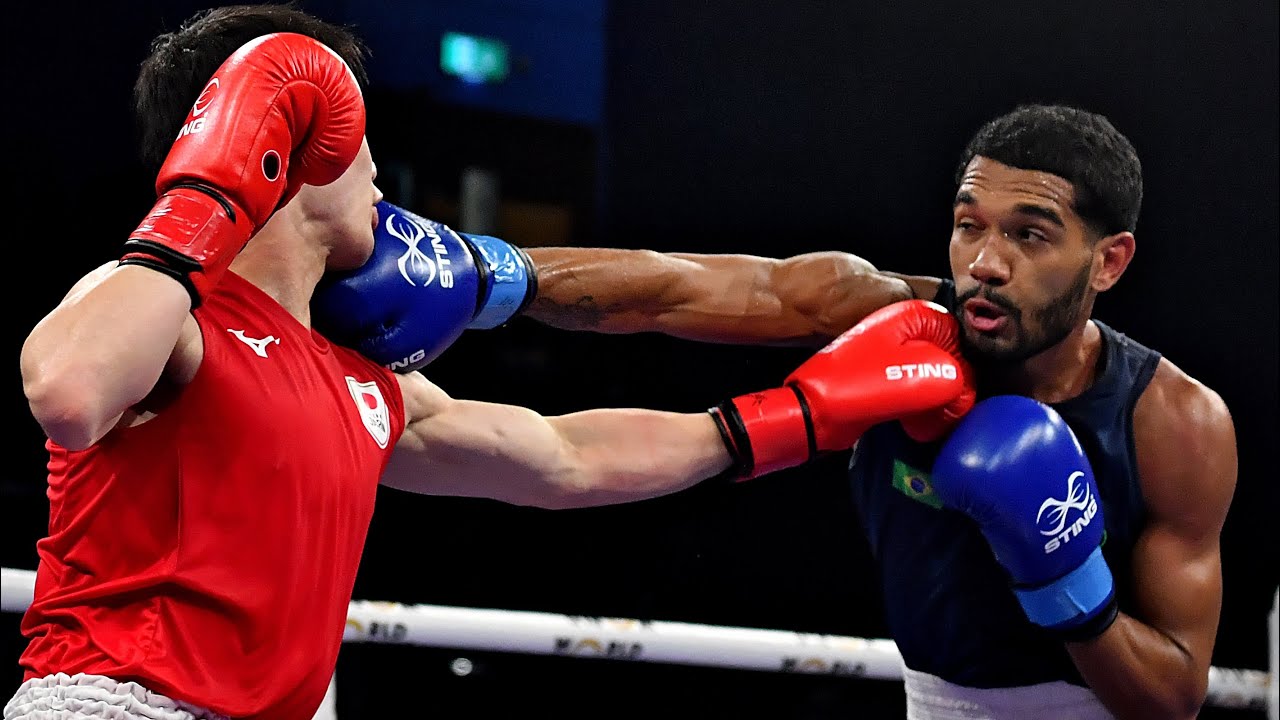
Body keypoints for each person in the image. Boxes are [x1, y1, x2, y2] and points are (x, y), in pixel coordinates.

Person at [9, 5, 975, 719]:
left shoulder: (361, 380)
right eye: (356, 139)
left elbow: (559, 458)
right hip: (117, 703)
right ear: (286, 139)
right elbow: (68, 392)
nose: (378, 170)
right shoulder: (165, 312)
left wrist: (796, 415)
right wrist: (206, 198)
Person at [510, 104, 1239, 719]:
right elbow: (679, 287)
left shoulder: (1174, 423)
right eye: (968, 225)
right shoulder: (889, 320)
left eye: (1029, 234)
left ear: (1108, 262)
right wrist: (493, 277)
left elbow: (1173, 699)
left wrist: (1066, 583)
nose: (985, 262)